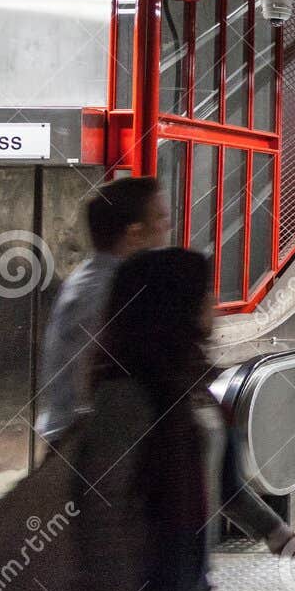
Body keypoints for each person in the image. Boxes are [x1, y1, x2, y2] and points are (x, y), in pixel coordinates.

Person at [74, 249, 295, 591]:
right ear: (174, 306)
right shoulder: (126, 396)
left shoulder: (194, 387)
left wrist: (272, 530)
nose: (214, 304)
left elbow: (223, 482)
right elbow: (99, 506)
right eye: (204, 294)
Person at [35, 177, 170, 445]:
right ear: (134, 233)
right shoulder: (110, 293)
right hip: (89, 447)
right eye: (160, 218)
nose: (167, 226)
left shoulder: (89, 277)